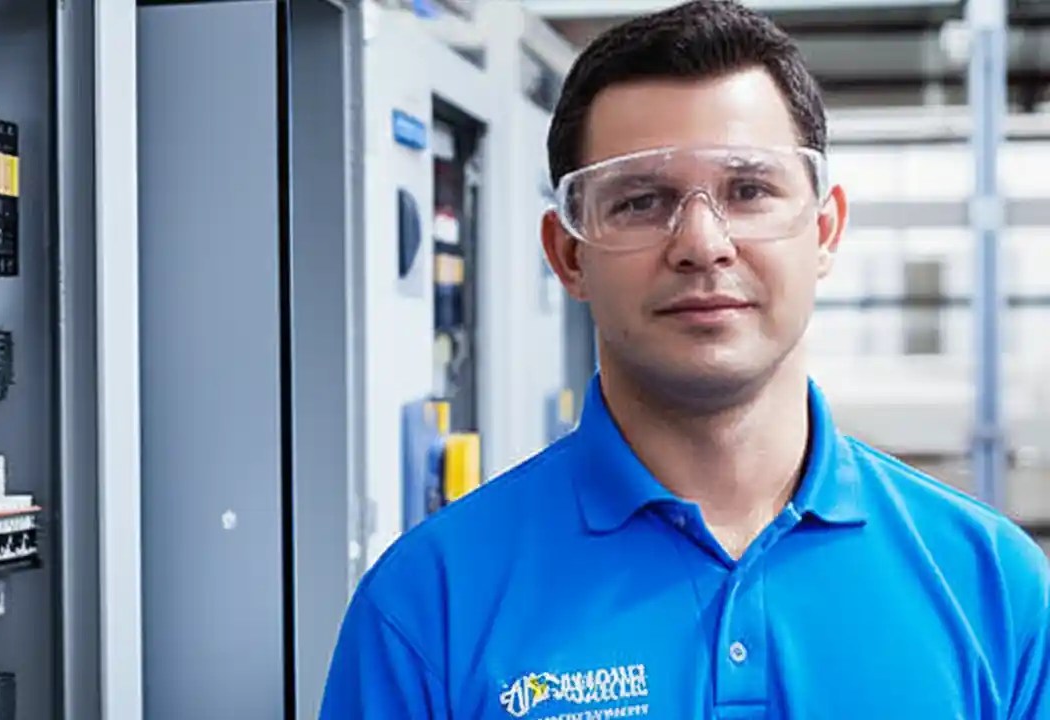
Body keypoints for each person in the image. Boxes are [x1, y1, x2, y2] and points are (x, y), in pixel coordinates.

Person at [320, 0, 1050, 717]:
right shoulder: (426, 610)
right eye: (641, 200)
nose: (702, 242)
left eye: (750, 190)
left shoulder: (994, 587)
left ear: (824, 231)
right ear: (567, 254)